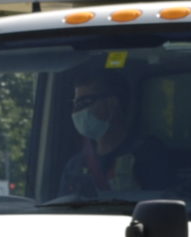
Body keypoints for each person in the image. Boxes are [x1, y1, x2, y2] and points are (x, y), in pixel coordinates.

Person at [58, 68, 169, 197]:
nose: (77, 111)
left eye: (85, 102)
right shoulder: (75, 166)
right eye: (75, 104)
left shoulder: (148, 154)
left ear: (112, 103)